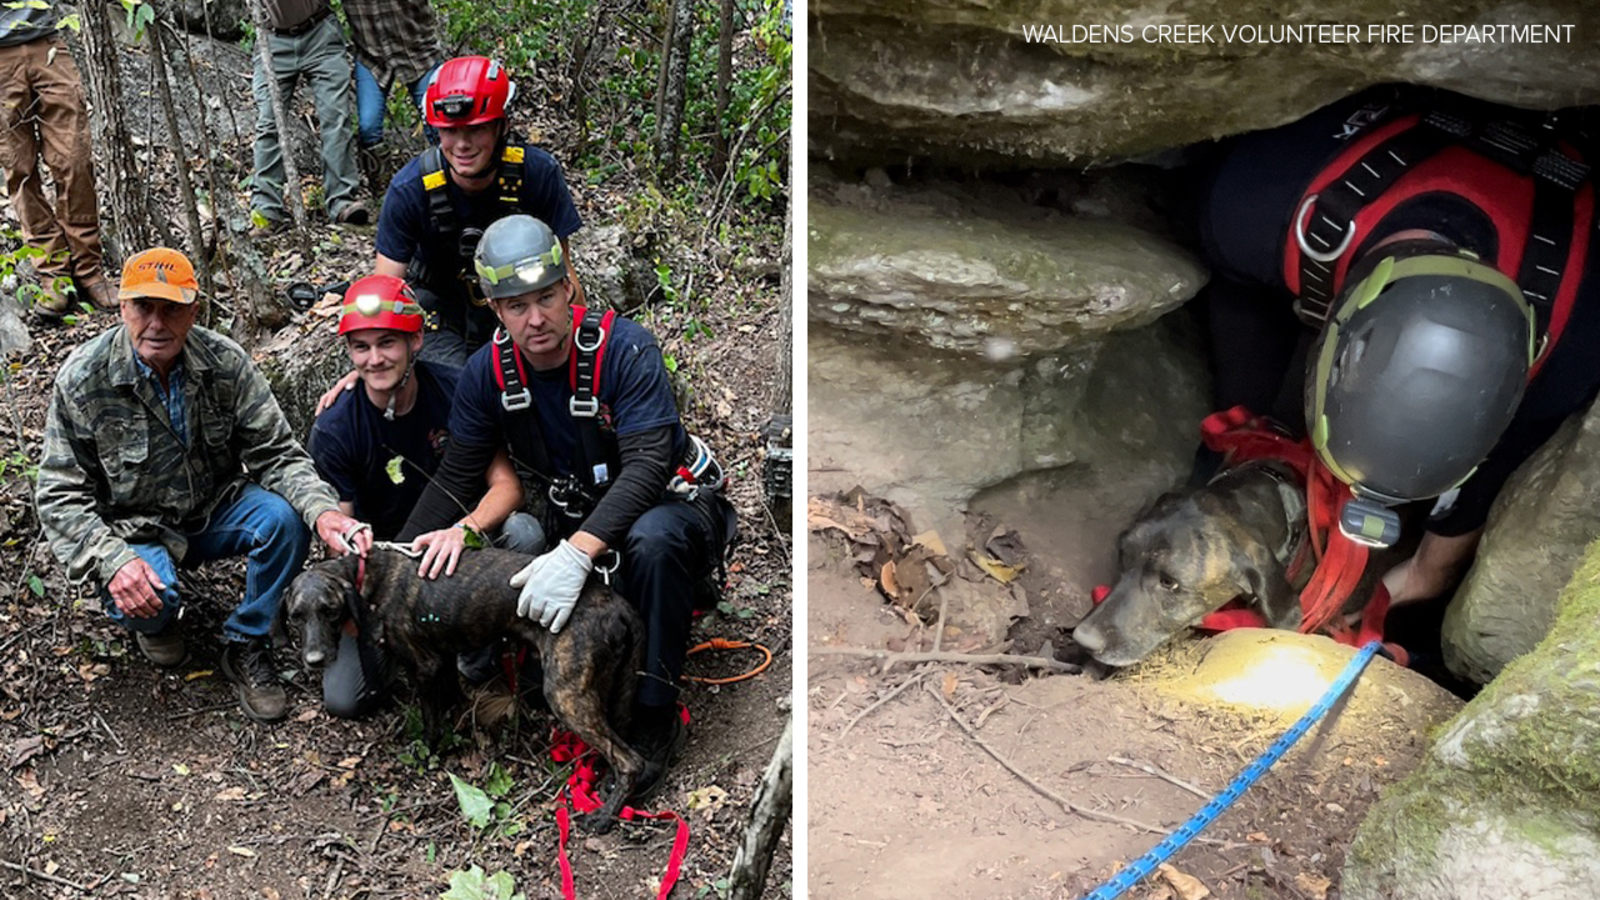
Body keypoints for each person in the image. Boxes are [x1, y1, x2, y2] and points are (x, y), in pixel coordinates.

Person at [1196, 84, 1600, 615]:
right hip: (1412, 116)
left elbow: (1501, 463)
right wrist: (1251, 424)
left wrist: (1422, 575)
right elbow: (1238, 291)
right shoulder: (1256, 200)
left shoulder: (1572, 353)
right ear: (1332, 323)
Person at [397, 215, 736, 798]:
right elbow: (457, 472)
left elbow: (648, 466)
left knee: (653, 542)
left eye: (547, 298)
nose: (536, 319)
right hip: (578, 519)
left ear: (568, 287)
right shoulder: (487, 373)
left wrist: (577, 554)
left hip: (668, 510)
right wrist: (392, 558)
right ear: (495, 310)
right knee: (539, 629)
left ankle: (655, 712)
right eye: (516, 306)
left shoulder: (625, 349)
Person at [35, 247, 371, 722]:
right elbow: (58, 494)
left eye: (172, 308)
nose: (157, 323)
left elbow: (277, 453)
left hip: (216, 508)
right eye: (143, 307)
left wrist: (324, 511)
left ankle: (248, 639)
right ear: (123, 308)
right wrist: (113, 561)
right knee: (151, 602)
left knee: (284, 519)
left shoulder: (224, 362)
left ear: (194, 311)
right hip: (134, 529)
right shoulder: (85, 377)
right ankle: (154, 620)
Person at [307, 273, 543, 717]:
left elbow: (507, 488)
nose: (375, 359)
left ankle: (479, 662)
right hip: (386, 575)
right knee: (347, 699)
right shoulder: (336, 426)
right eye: (361, 347)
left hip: (460, 558)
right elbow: (339, 539)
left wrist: (462, 531)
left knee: (523, 533)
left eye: (387, 343)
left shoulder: (455, 391)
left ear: (415, 341)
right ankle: (412, 650)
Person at [372, 54, 584, 367]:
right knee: (457, 386)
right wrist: (370, 370)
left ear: (503, 126)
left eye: (476, 129)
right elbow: (385, 291)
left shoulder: (537, 175)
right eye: (450, 131)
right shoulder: (410, 189)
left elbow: (564, 274)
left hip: (518, 303)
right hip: (438, 312)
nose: (462, 144)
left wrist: (583, 349)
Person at [0, 3, 116, 315]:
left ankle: (89, 270)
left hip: (48, 42)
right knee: (19, 170)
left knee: (75, 160)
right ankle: (54, 275)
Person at [249, 0, 369, 237]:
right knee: (268, 124)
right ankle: (266, 211)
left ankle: (342, 201)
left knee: (336, 117)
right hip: (272, 38)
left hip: (320, 32)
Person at [339, 0, 443, 191]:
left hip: (418, 52)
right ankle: (383, 194)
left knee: (439, 123)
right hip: (371, 56)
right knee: (368, 128)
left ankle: (450, 186)